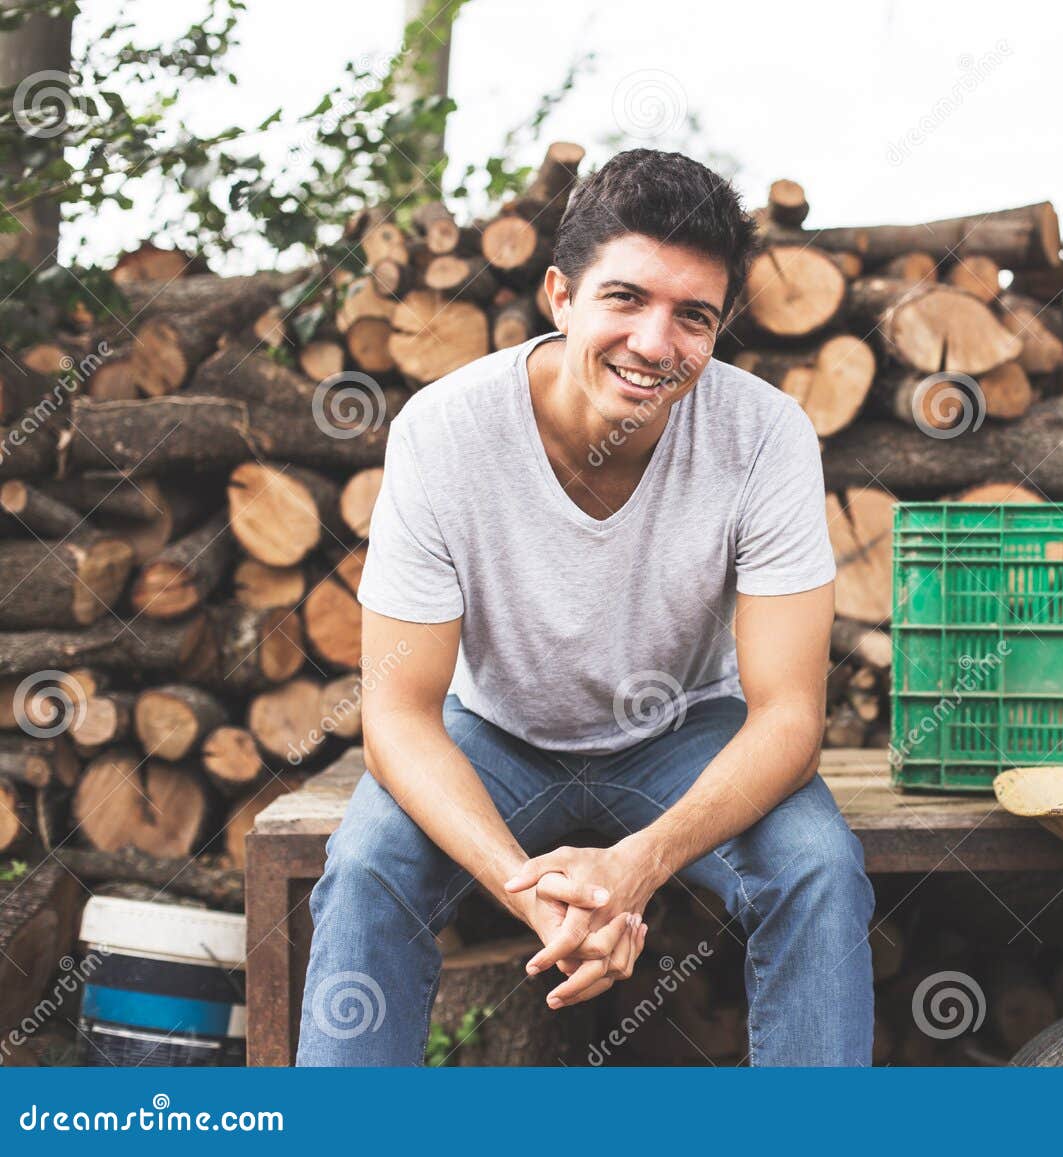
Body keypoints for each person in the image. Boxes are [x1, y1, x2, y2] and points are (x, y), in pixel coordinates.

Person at [294, 148, 875, 1067]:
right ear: (562, 295)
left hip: (687, 732)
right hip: (495, 733)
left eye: (694, 316)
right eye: (626, 298)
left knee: (818, 869)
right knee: (368, 868)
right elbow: (398, 716)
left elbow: (791, 718)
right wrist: (530, 892)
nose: (656, 342)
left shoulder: (766, 436)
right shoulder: (445, 432)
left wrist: (636, 866)